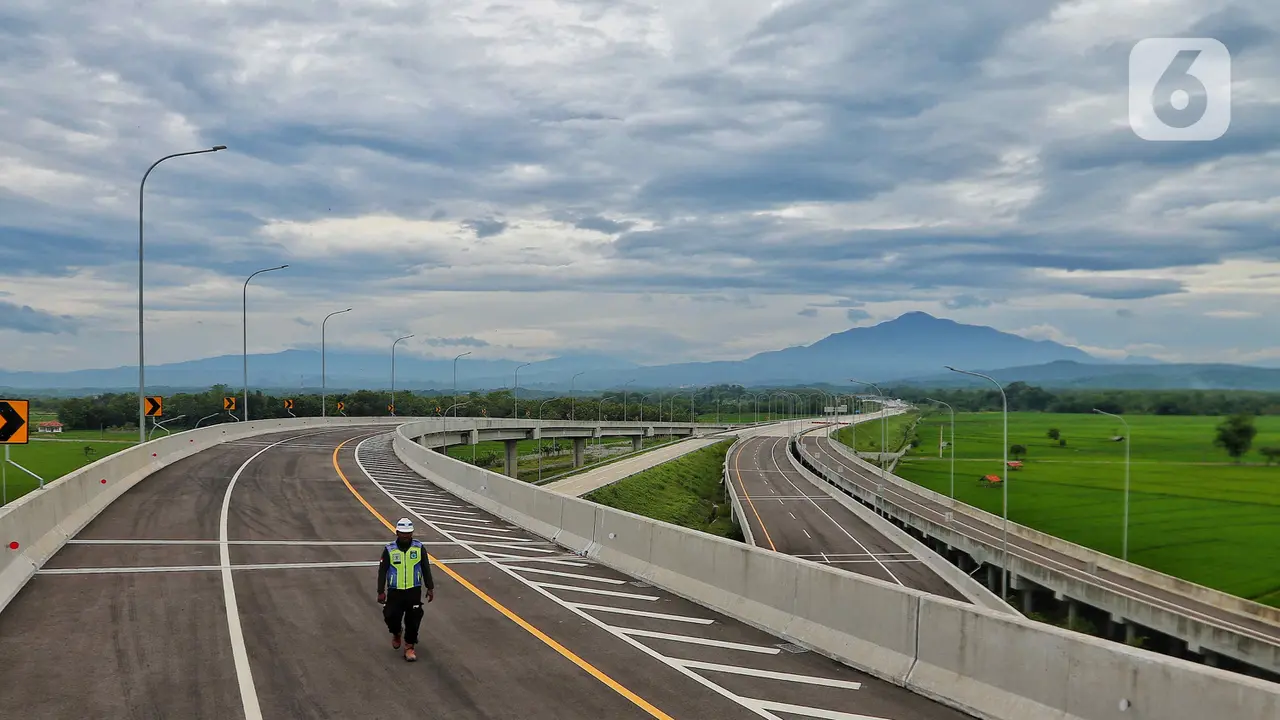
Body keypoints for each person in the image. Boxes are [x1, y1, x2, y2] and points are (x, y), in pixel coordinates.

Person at [377, 518, 434, 661]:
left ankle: (409, 647)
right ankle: (396, 632)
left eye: (408, 533)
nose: (405, 536)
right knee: (390, 616)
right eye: (402, 533)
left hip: (413, 591)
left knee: (413, 619)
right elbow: (382, 571)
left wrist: (430, 587)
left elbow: (426, 568)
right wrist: (380, 591)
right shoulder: (389, 549)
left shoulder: (419, 548)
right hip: (395, 591)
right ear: (397, 532)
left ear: (412, 533)